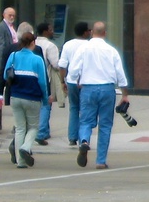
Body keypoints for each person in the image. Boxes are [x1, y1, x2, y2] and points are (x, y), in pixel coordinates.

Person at [69, 22, 129, 169]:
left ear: (91, 32)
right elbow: (120, 73)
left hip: (88, 88)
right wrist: (125, 94)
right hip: (107, 88)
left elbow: (73, 70)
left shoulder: (83, 49)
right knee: (105, 125)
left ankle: (84, 141)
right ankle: (101, 160)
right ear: (105, 33)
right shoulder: (111, 51)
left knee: (85, 121)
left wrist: (76, 80)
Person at [5, 31, 49, 168]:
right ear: (33, 43)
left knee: (20, 128)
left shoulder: (13, 56)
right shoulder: (37, 60)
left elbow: (6, 75)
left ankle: (20, 161)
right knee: (33, 127)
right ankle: (25, 147)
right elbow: (42, 82)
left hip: (15, 96)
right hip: (32, 98)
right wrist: (45, 98)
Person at [58, 22, 92, 146]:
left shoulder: (68, 45)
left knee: (73, 108)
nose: (90, 32)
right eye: (89, 30)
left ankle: (72, 137)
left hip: (71, 81)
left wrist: (62, 81)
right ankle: (84, 137)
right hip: (86, 82)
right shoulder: (90, 45)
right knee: (85, 110)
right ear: (85, 32)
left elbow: (62, 65)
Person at [34, 22, 61, 146]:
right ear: (45, 31)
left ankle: (44, 130)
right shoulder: (50, 46)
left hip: (31, 79)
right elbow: (56, 64)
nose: (52, 31)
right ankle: (41, 132)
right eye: (50, 29)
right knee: (46, 105)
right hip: (45, 79)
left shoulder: (32, 43)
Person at [0, 6, 17, 96]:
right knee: (1, 82)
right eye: (10, 15)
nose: (12, 17)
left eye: (13, 15)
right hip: (5, 59)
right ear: (4, 15)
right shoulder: (1, 27)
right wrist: (0, 63)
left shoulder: (11, 27)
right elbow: (0, 46)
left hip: (11, 58)